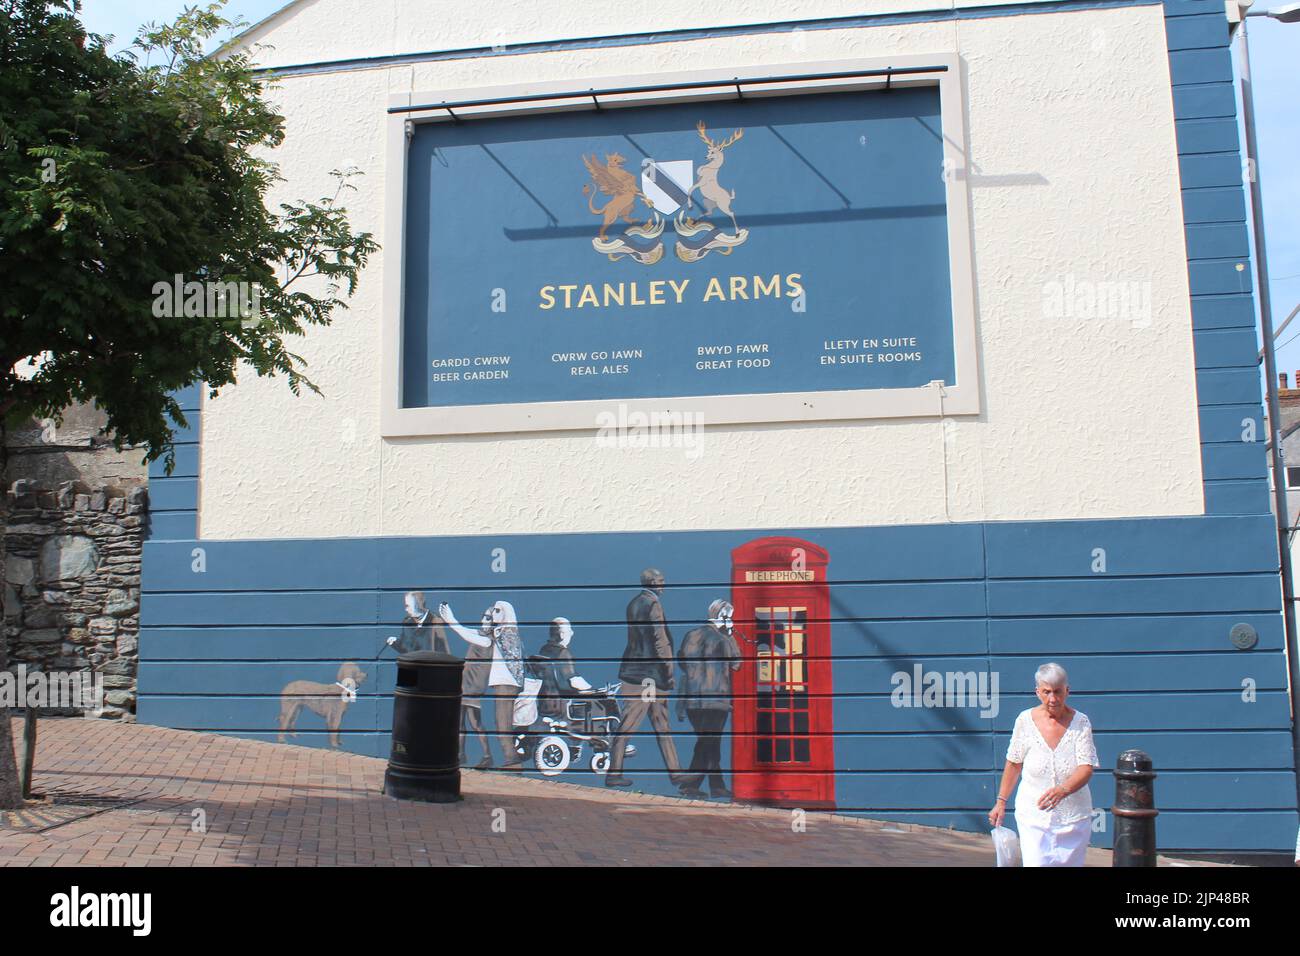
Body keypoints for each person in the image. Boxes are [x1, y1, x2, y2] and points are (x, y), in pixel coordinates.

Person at [989, 663, 1099, 867]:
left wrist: (1062, 790)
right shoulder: (1024, 720)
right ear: (1037, 692)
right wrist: (1001, 801)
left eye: (1058, 692)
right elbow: (1014, 763)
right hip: (1033, 815)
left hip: (1073, 817)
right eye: (1046, 692)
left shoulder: (1081, 722)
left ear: (1067, 690)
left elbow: (1086, 767)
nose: (1053, 699)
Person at [606, 568, 683, 787]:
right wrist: (669, 672)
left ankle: (676, 773)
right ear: (649, 583)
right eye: (659, 581)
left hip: (635, 672)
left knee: (661, 724)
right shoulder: (653, 605)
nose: (662, 585)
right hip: (648, 678)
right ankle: (614, 773)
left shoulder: (634, 603)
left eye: (662, 581)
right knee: (631, 724)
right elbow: (660, 642)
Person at [440, 600, 526, 771]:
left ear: (506, 614)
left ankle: (512, 761)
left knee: (502, 723)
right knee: (500, 722)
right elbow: (472, 632)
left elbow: (471, 635)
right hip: (503, 683)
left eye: (497, 611)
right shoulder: (497, 632)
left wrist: (452, 620)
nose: (494, 614)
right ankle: (510, 759)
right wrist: (451, 620)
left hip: (506, 683)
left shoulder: (502, 633)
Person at [676, 599, 741, 799]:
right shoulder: (722, 639)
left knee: (709, 742)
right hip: (715, 699)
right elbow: (736, 663)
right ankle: (690, 785)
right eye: (729, 616)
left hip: (693, 701)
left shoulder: (691, 635)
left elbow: (682, 662)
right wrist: (730, 634)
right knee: (708, 743)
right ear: (722, 617)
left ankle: (716, 785)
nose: (731, 619)